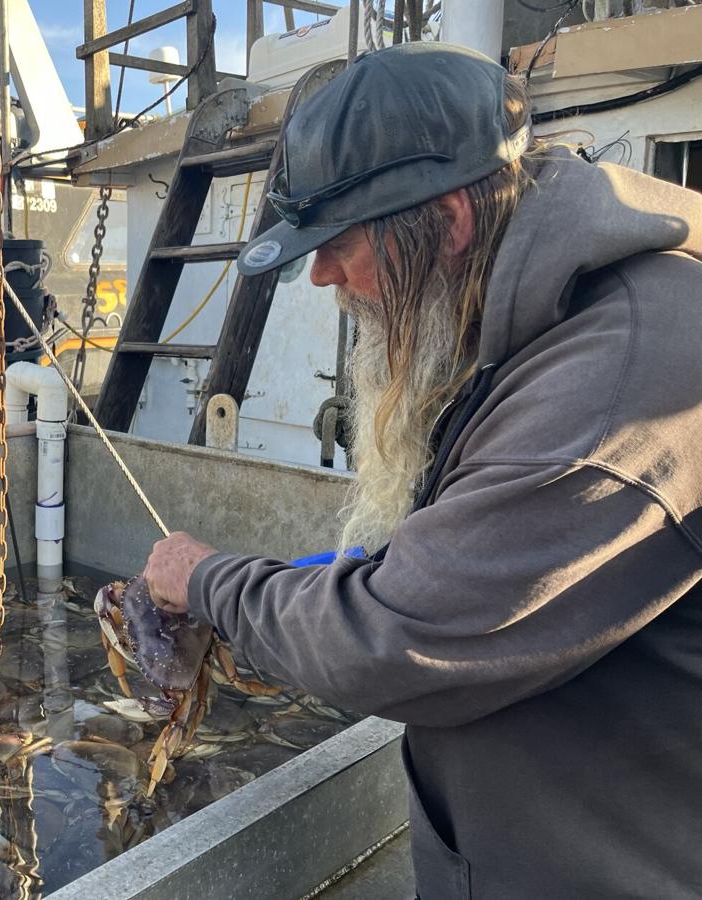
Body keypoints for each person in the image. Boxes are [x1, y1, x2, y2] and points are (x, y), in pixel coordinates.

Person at [141, 42, 702, 899]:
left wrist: (208, 581)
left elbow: (395, 643)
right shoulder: (546, 310)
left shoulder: (617, 384)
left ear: (449, 222)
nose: (319, 274)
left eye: (339, 242)